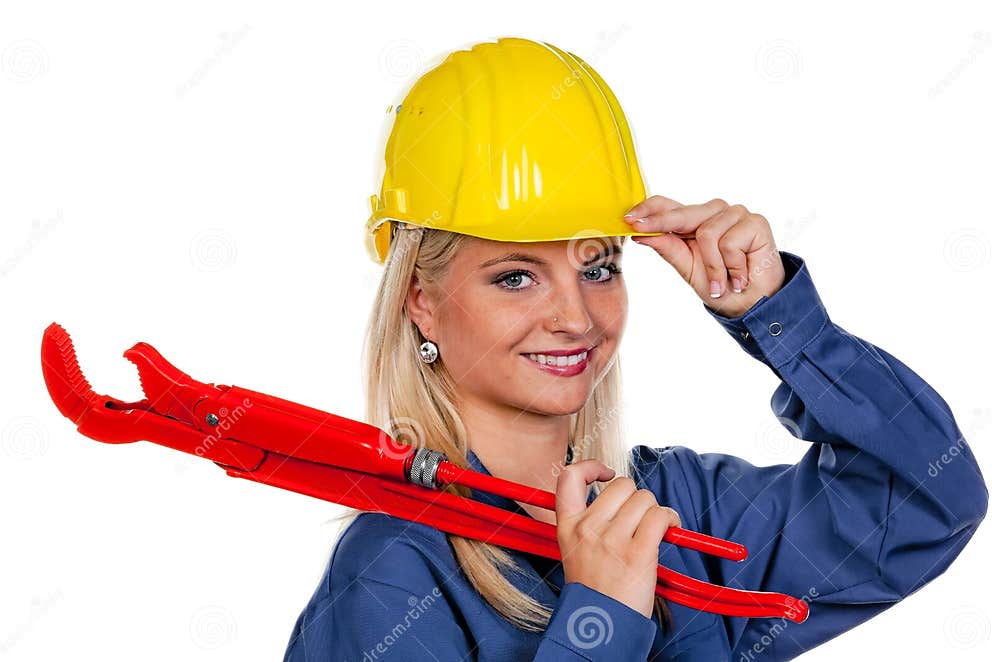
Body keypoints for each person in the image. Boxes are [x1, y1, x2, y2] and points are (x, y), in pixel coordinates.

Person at [282, 37, 988, 661]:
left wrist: (778, 317)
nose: (576, 316)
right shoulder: (386, 580)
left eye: (598, 268)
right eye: (517, 275)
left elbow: (930, 492)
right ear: (421, 302)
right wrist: (602, 621)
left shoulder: (676, 511)